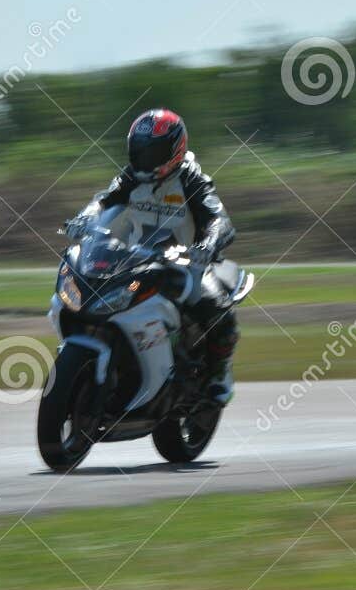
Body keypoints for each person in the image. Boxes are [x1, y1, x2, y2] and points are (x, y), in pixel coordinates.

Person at [70, 108, 240, 403]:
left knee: (216, 308)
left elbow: (218, 219)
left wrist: (209, 244)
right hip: (136, 259)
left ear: (175, 150)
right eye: (139, 151)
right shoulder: (131, 177)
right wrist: (85, 217)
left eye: (153, 152)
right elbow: (104, 201)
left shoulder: (192, 179)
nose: (143, 159)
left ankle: (219, 374)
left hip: (187, 263)